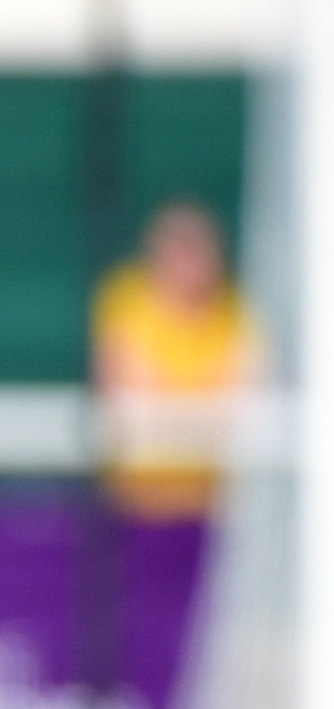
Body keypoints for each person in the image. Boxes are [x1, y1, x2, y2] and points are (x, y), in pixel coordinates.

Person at [92, 199, 258, 522]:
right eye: (180, 251)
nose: (190, 263)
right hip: (135, 497)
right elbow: (129, 395)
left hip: (217, 502)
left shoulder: (238, 310)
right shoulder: (127, 298)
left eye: (198, 251)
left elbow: (240, 398)